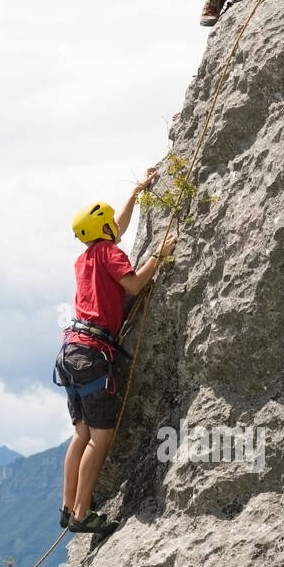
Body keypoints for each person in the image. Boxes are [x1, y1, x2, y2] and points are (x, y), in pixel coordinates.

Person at [54, 168, 179, 536]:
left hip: (70, 352)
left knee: (81, 434)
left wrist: (136, 193)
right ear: (105, 230)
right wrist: (160, 255)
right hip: (93, 356)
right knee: (100, 439)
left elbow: (115, 228)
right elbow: (136, 284)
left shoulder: (87, 256)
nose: (117, 227)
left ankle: (67, 506)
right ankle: (81, 514)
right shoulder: (110, 252)